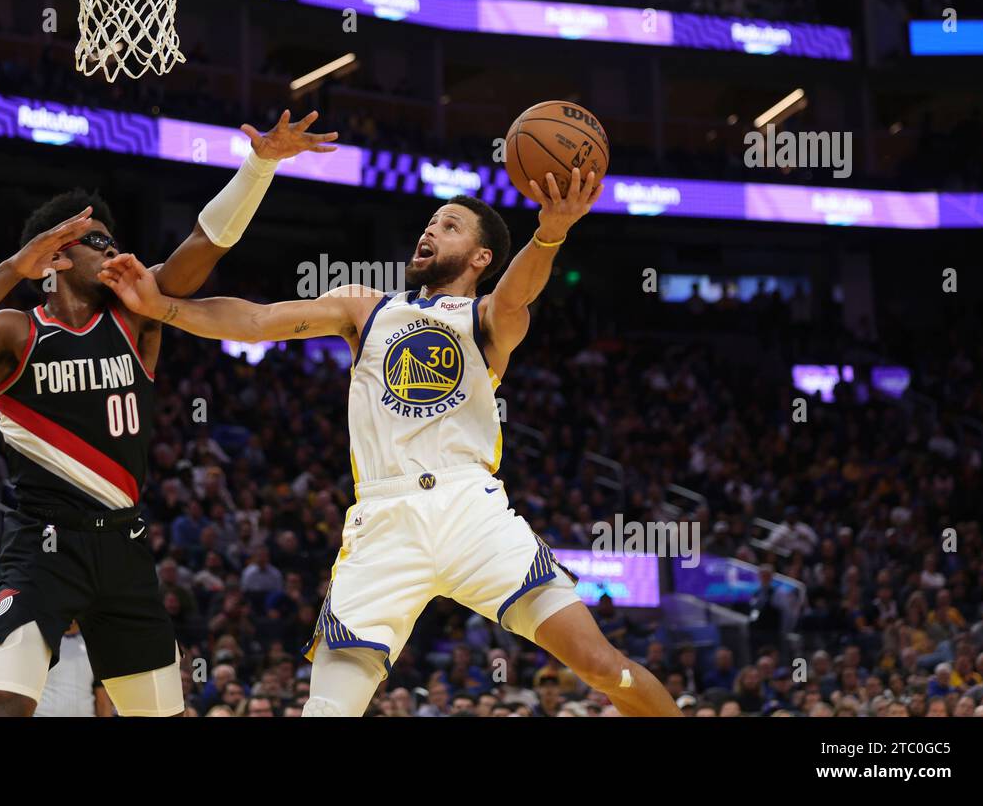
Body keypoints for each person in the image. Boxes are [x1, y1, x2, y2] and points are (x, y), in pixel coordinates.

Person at [102, 166, 680, 717]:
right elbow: (258, 320)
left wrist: (550, 236)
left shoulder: (489, 317)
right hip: (383, 518)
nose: (430, 229)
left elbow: (515, 294)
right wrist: (165, 308)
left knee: (604, 667)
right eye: (431, 221)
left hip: (471, 510)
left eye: (449, 225)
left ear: (481, 257)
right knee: (326, 708)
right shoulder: (366, 305)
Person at [0, 110, 336, 718]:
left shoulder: (137, 313)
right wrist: (10, 270)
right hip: (42, 544)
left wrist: (260, 165)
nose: (115, 250)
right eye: (97, 240)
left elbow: (202, 246)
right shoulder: (16, 330)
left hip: (126, 548)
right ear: (55, 254)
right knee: (2, 703)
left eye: (114, 238)